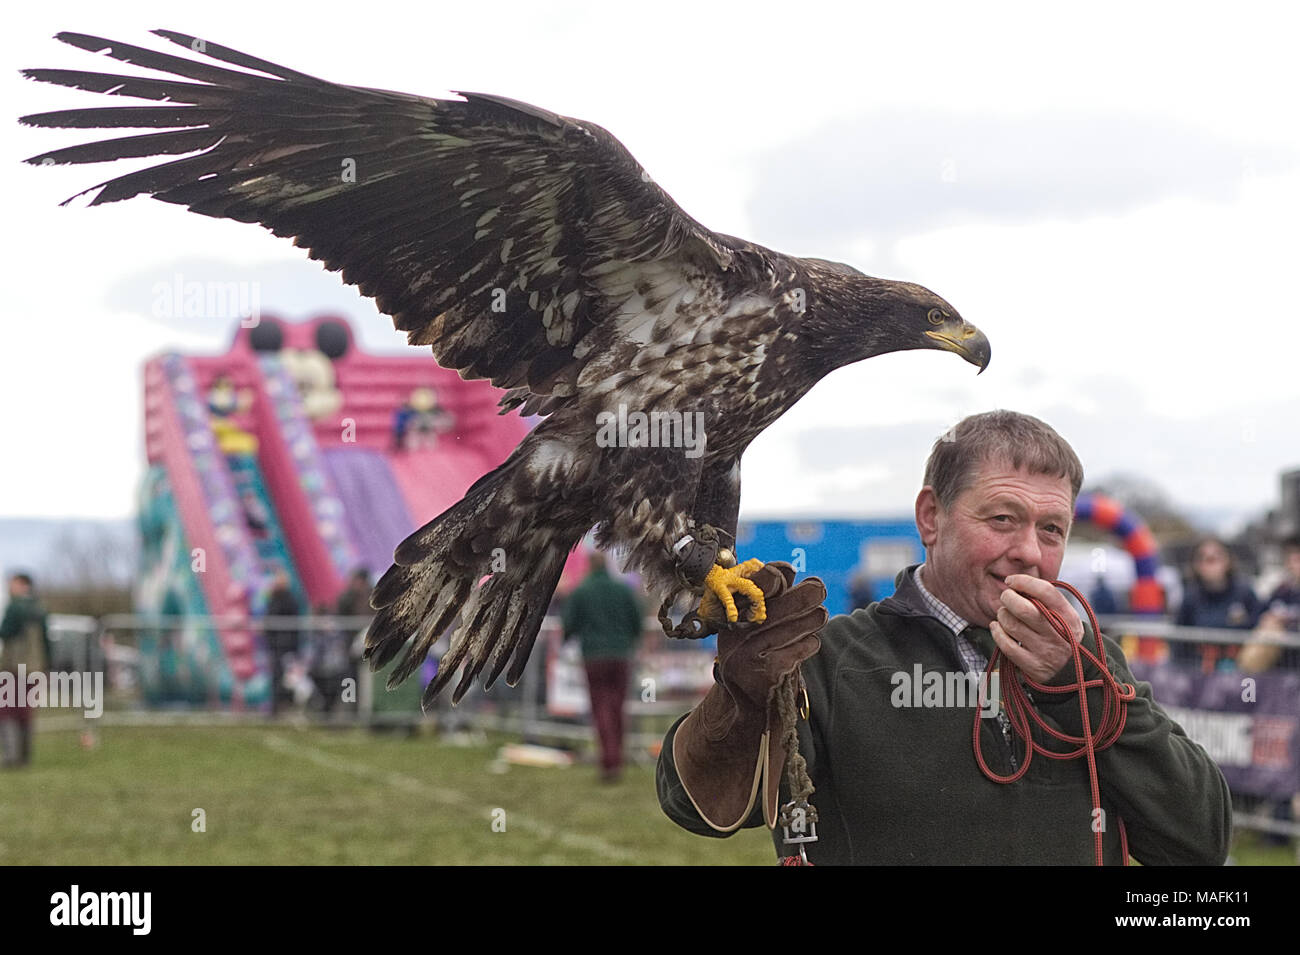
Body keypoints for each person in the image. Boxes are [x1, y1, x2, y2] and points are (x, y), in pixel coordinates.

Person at [656, 410, 1231, 864]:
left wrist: (1078, 684)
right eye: (1002, 518)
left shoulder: (1088, 658)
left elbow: (1199, 842)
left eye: (1051, 529)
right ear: (931, 517)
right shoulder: (830, 660)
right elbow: (692, 806)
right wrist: (740, 701)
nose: (1030, 550)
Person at [562, 553, 644, 783]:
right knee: (618, 707)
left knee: (601, 708)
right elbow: (636, 621)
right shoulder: (623, 590)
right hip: (621, 655)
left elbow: (569, 624)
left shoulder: (581, 591)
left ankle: (609, 760)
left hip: (594, 656)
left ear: (589, 566)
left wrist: (569, 639)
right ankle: (617, 757)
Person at [1173, 537, 1263, 672]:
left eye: (1216, 557)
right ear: (1196, 565)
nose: (1210, 562)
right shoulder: (1190, 597)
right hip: (1200, 671)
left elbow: (1260, 627)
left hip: (1242, 672)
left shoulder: (1245, 592)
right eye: (1204, 558)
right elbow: (1179, 639)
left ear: (1228, 561)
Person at [0, 573, 52, 768]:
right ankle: (25, 758)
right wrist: (48, 665)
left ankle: (11, 756)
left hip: (14, 666)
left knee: (6, 710)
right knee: (25, 711)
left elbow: (5, 631)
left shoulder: (15, 607)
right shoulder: (40, 608)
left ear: (23, 585)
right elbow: (47, 641)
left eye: (12, 584)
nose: (9, 587)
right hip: (35, 667)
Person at [264, 569, 303, 715]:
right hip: (277, 646)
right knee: (277, 677)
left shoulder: (288, 600)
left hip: (286, 646)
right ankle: (277, 708)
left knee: (288, 679)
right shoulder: (274, 599)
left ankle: (287, 706)